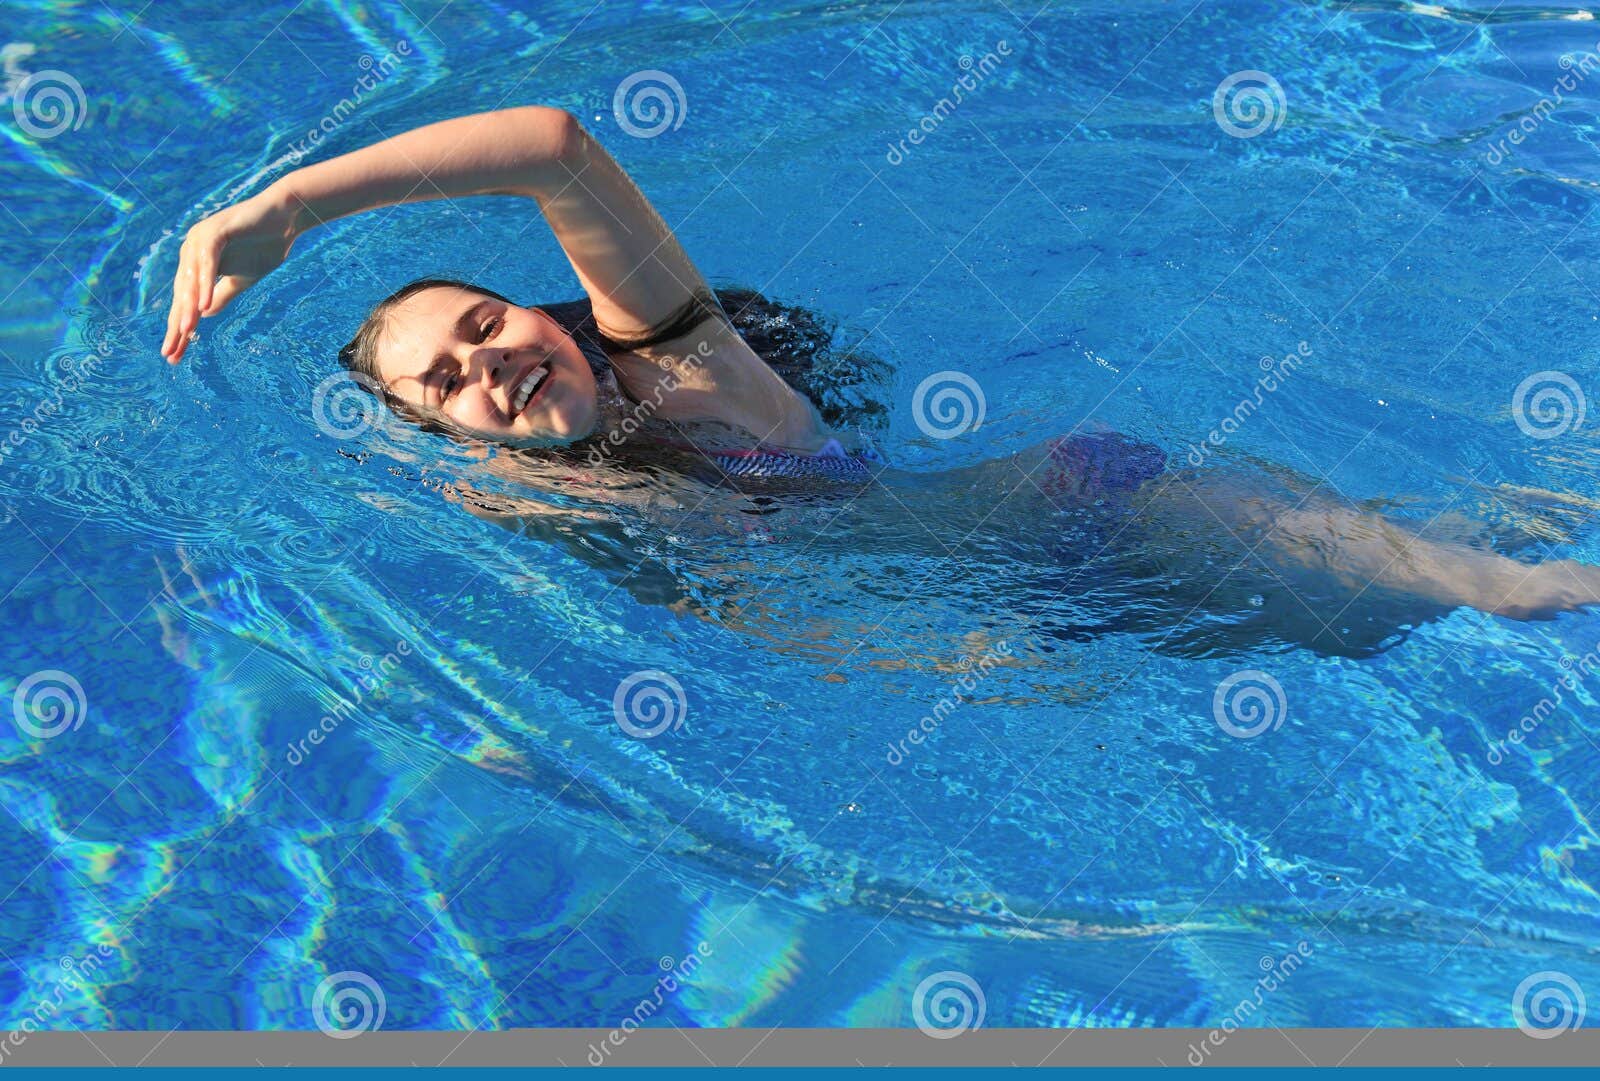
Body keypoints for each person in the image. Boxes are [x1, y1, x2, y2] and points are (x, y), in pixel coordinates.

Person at [158, 104, 1600, 651]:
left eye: (484, 325)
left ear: (555, 321)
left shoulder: (681, 370)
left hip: (1077, 522)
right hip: (1039, 630)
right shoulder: (532, 509)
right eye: (446, 381)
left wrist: (290, 211)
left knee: (1501, 592)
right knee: (1394, 616)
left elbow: (551, 142)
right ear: (430, 437)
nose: (491, 365)